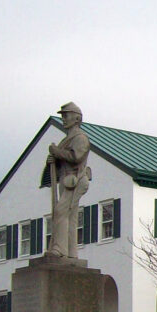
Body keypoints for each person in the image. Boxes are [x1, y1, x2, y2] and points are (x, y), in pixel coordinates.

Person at [42, 102, 91, 259]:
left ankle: (60, 249)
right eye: (62, 116)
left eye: (66, 115)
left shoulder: (80, 138)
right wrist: (53, 159)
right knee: (69, 215)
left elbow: (76, 157)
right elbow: (64, 158)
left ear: (76, 118)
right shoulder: (67, 139)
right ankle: (71, 253)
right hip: (66, 180)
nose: (63, 119)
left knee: (61, 211)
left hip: (75, 180)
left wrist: (56, 152)